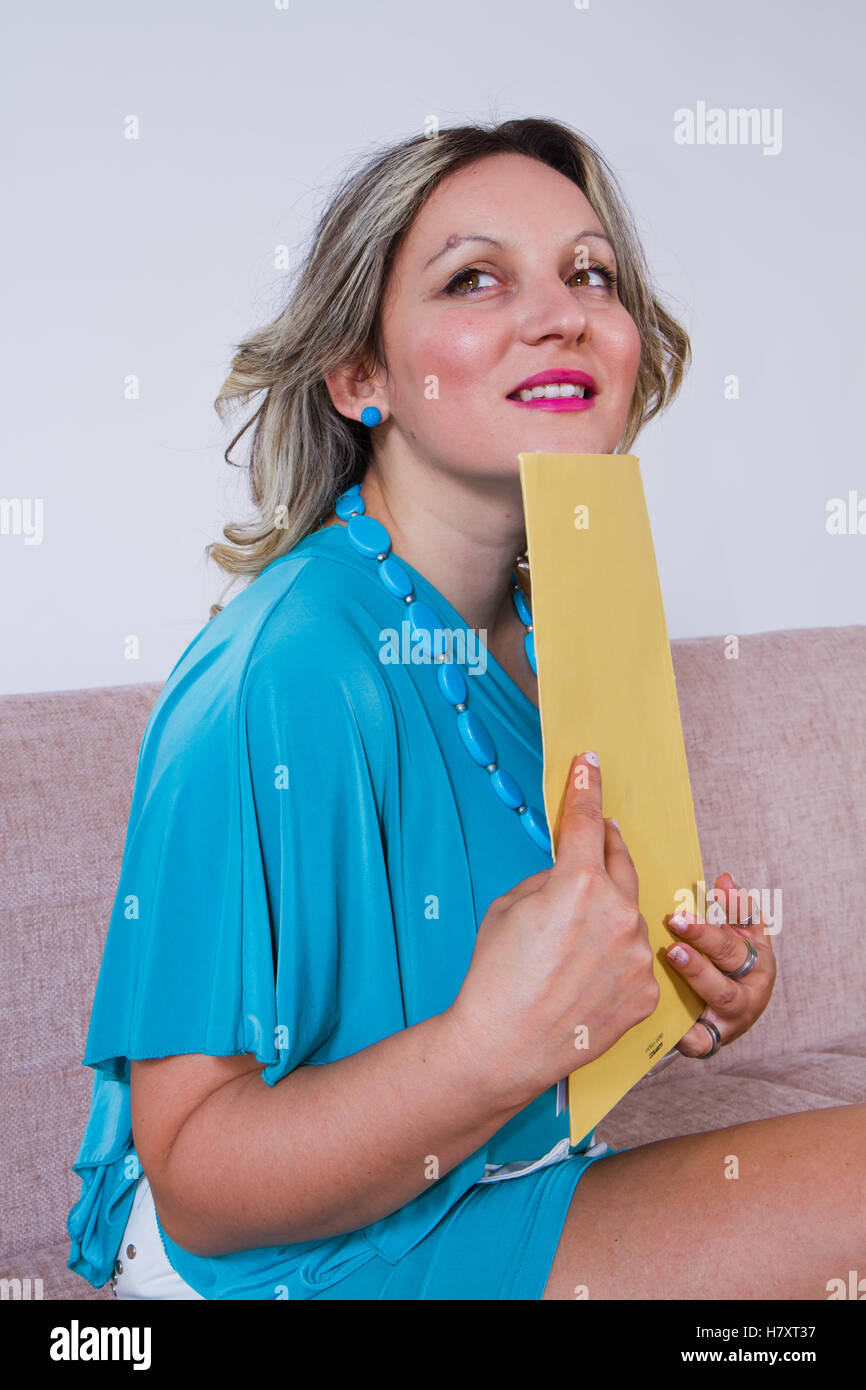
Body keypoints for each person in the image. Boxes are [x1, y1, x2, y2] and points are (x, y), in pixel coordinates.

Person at [67, 117, 864, 1302]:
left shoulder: (567, 622)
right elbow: (194, 1180)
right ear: (361, 376)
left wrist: (672, 982)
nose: (561, 314)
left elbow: (530, 967)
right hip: (290, 1263)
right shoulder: (281, 668)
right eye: (474, 277)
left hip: (498, 1179)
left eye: (589, 273)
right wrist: (491, 1048)